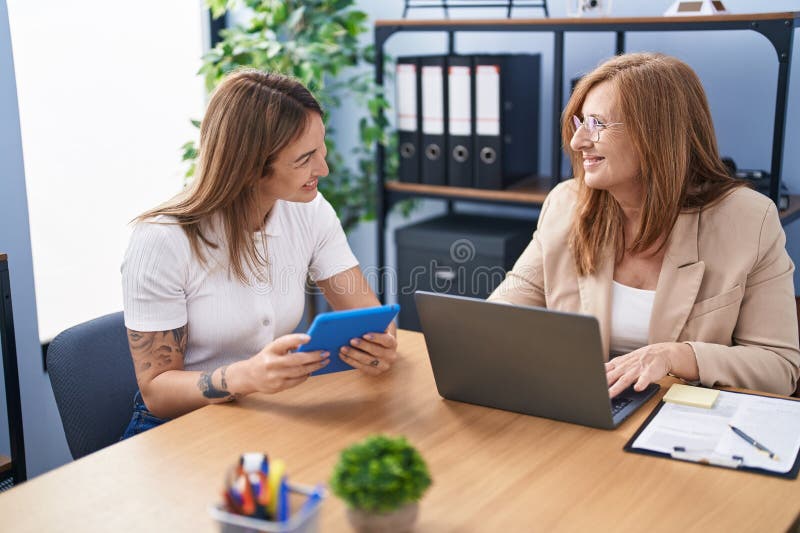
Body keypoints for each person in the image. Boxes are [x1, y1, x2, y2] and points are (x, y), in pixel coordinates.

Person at [489, 52, 799, 397]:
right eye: (579, 124)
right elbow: (502, 314)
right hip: (583, 408)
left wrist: (678, 356)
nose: (577, 143)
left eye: (597, 124)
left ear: (656, 134)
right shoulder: (567, 204)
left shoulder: (749, 221)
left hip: (680, 421)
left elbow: (778, 368)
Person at [120, 69, 397, 436]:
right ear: (249, 167)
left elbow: (373, 317)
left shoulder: (309, 211)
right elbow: (156, 392)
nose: (324, 169)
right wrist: (245, 376)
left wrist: (380, 346)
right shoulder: (162, 241)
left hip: (261, 415)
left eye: (321, 150)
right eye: (304, 159)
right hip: (177, 429)